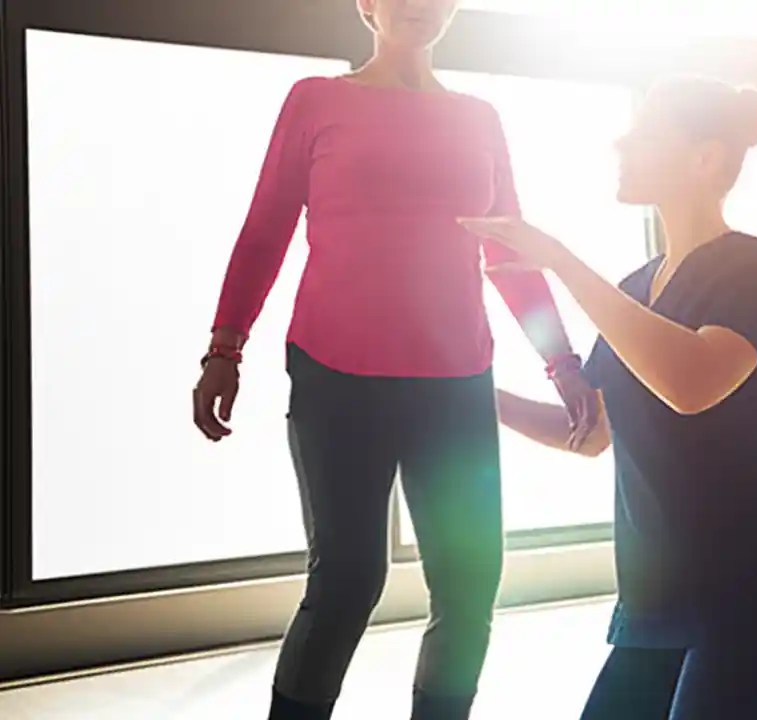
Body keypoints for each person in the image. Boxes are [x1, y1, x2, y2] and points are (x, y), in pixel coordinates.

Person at [461, 78, 757, 720]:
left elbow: (690, 384)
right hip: (653, 598)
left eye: (645, 132)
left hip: (751, 587)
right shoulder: (634, 287)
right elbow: (591, 432)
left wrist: (560, 262)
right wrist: (469, 392)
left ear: (705, 157)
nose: (620, 142)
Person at [190, 1, 598, 719]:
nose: (419, 5)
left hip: (456, 384)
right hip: (337, 378)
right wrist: (225, 346)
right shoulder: (316, 101)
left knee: (470, 588)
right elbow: (265, 231)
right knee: (348, 582)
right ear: (366, 5)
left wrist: (560, 361)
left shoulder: (480, 117)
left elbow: (507, 253)